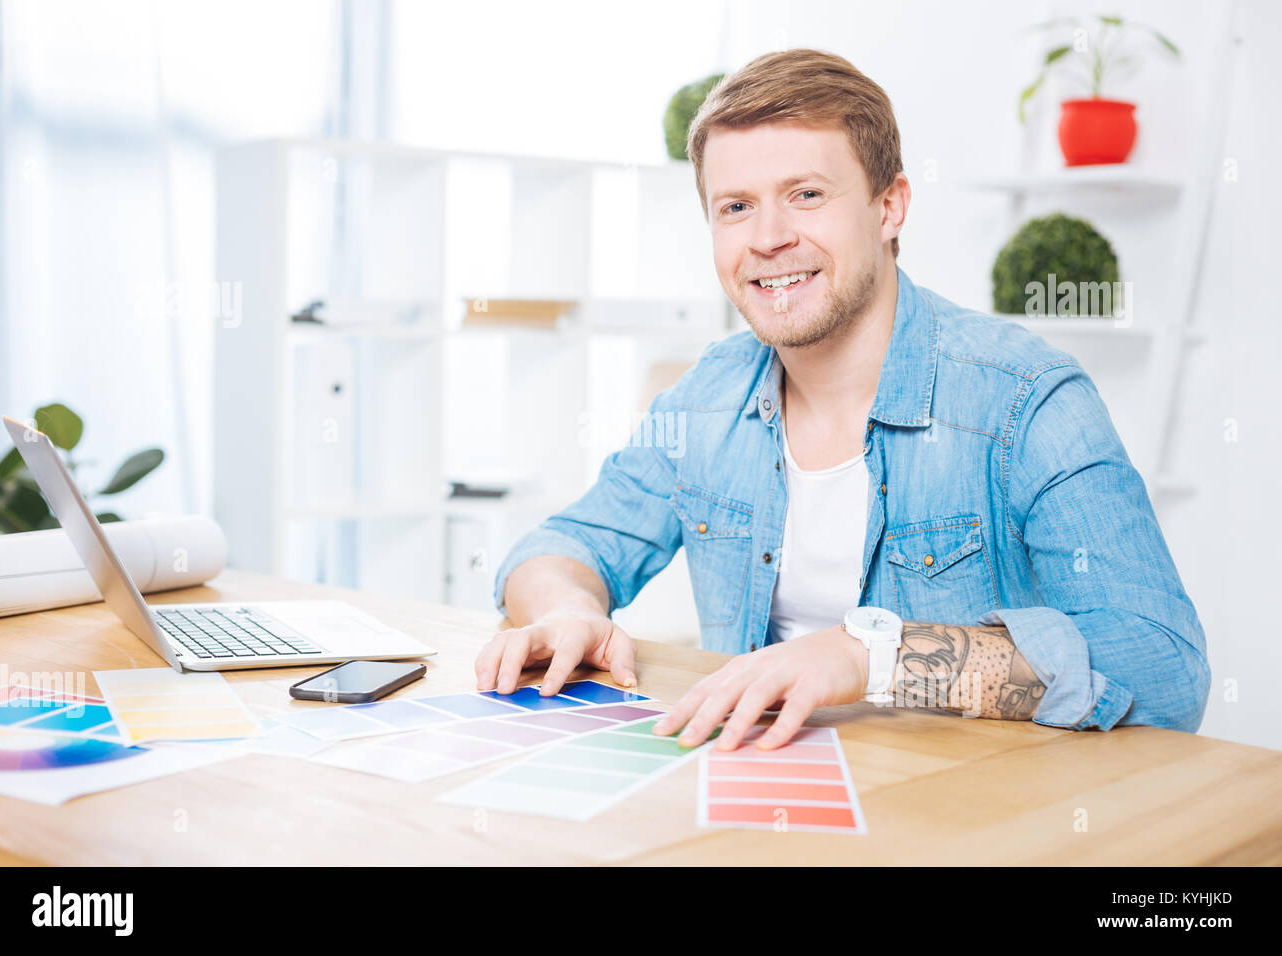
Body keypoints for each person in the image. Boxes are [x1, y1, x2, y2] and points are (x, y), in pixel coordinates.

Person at [474, 48, 1210, 752]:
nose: (767, 238)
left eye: (806, 195)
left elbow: (1164, 666)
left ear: (890, 208)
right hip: (756, 793)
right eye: (735, 207)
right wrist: (570, 610)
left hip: (969, 818)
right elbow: (561, 548)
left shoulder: (1028, 401)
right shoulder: (704, 399)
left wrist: (874, 656)